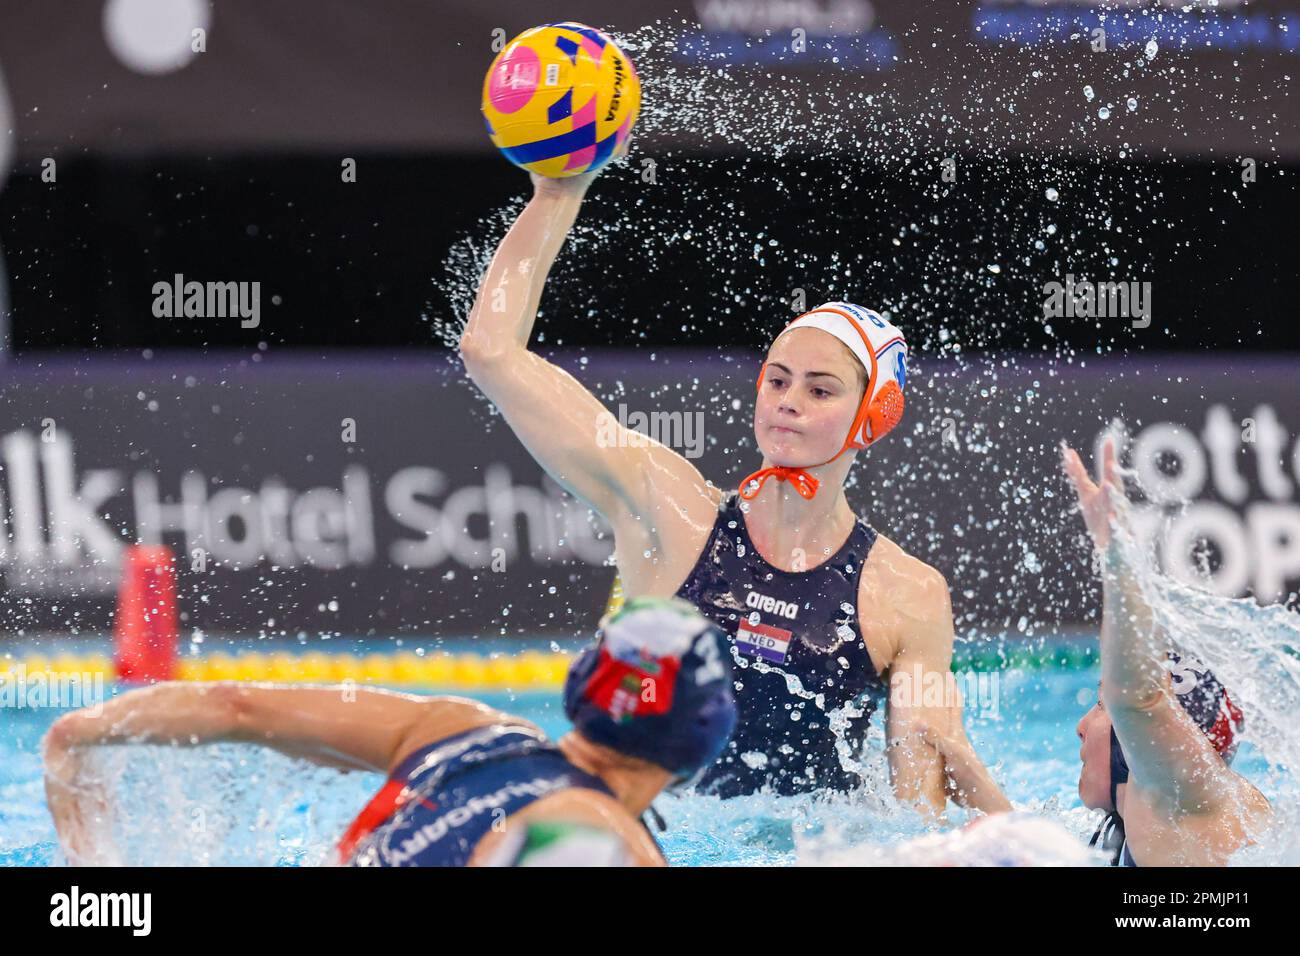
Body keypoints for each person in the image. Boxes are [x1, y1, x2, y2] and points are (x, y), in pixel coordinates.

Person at [459, 164, 986, 810]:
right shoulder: (668, 507)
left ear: (874, 416)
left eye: (820, 390)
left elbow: (914, 825)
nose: (788, 401)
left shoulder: (907, 596)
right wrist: (557, 194)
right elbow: (491, 352)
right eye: (777, 379)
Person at [43, 596, 737, 867]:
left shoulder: (466, 729)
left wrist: (77, 733)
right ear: (704, 733)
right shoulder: (597, 836)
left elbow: (235, 709)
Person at [922, 441, 1272, 865]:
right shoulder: (1173, 814)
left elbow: (1140, 698)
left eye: (1103, 707)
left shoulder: (1182, 799)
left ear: (1156, 739)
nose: (1082, 727)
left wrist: (1117, 556)